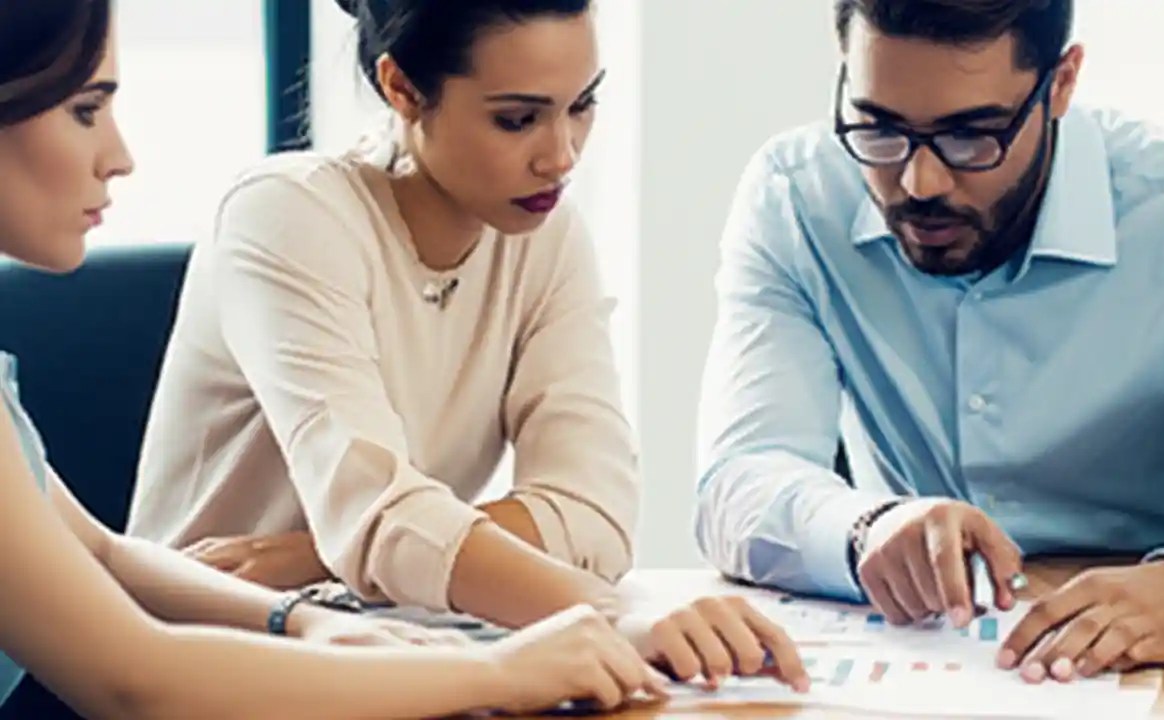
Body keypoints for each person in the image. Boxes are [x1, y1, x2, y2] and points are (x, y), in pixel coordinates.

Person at [0, 1, 807, 717]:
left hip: (349, 646)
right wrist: (543, 639)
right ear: (402, 91)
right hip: (222, 674)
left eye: (583, 106)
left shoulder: (546, 235)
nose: (562, 156)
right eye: (518, 119)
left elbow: (592, 516)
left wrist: (311, 591)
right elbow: (138, 673)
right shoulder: (288, 214)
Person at [695, 0, 1164, 686]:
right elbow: (739, 480)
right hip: (935, 656)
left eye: (971, 137)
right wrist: (864, 528)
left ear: (1061, 83)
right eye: (878, 128)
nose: (920, 183)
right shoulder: (797, 198)